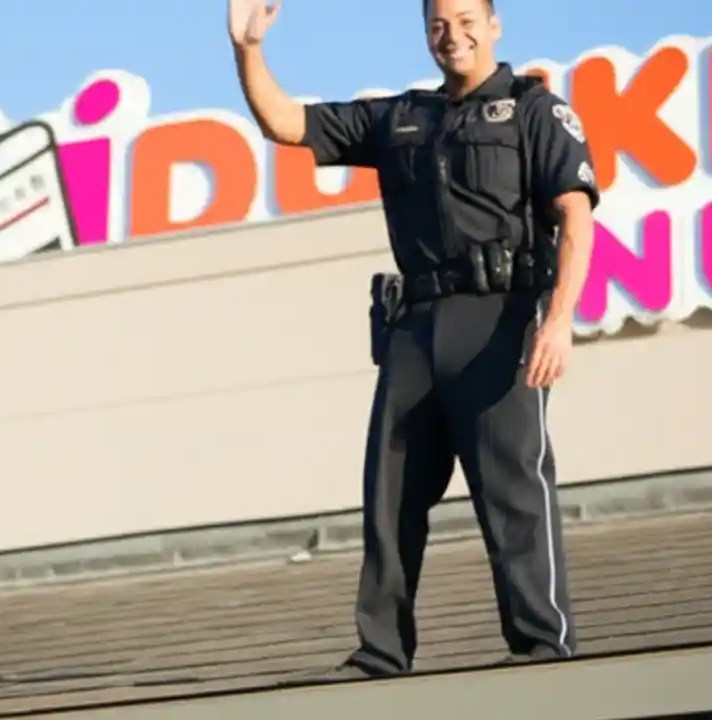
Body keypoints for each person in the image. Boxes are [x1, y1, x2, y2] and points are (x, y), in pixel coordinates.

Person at [228, 0, 600, 678]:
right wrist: (249, 51)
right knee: (391, 497)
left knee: (513, 488)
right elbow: (286, 123)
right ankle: (381, 651)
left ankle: (544, 644)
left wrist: (559, 319)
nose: (451, 35)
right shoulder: (400, 117)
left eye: (465, 20)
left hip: (500, 320)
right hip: (415, 330)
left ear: (493, 26)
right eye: (437, 23)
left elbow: (575, 220)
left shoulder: (533, 112)